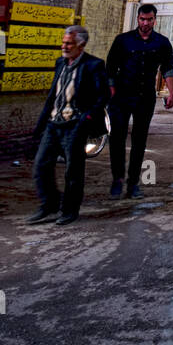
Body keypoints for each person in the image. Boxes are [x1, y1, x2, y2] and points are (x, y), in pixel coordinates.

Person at [29, 25, 110, 226]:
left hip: (75, 124)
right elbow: (53, 94)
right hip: (54, 124)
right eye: (63, 42)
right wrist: (41, 123)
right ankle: (49, 206)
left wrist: (87, 119)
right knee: (41, 165)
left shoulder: (94, 65)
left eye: (69, 43)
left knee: (73, 170)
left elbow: (103, 96)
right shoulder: (60, 63)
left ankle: (69, 210)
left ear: (80, 46)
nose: (64, 46)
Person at [106, 4, 173, 199]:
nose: (145, 23)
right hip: (121, 96)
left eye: (149, 20)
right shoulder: (123, 40)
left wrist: (171, 93)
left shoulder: (162, 43)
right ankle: (117, 180)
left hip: (145, 97)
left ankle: (133, 184)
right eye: (142, 19)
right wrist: (111, 91)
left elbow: (168, 69)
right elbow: (110, 67)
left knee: (139, 140)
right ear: (138, 19)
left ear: (155, 20)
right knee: (117, 138)